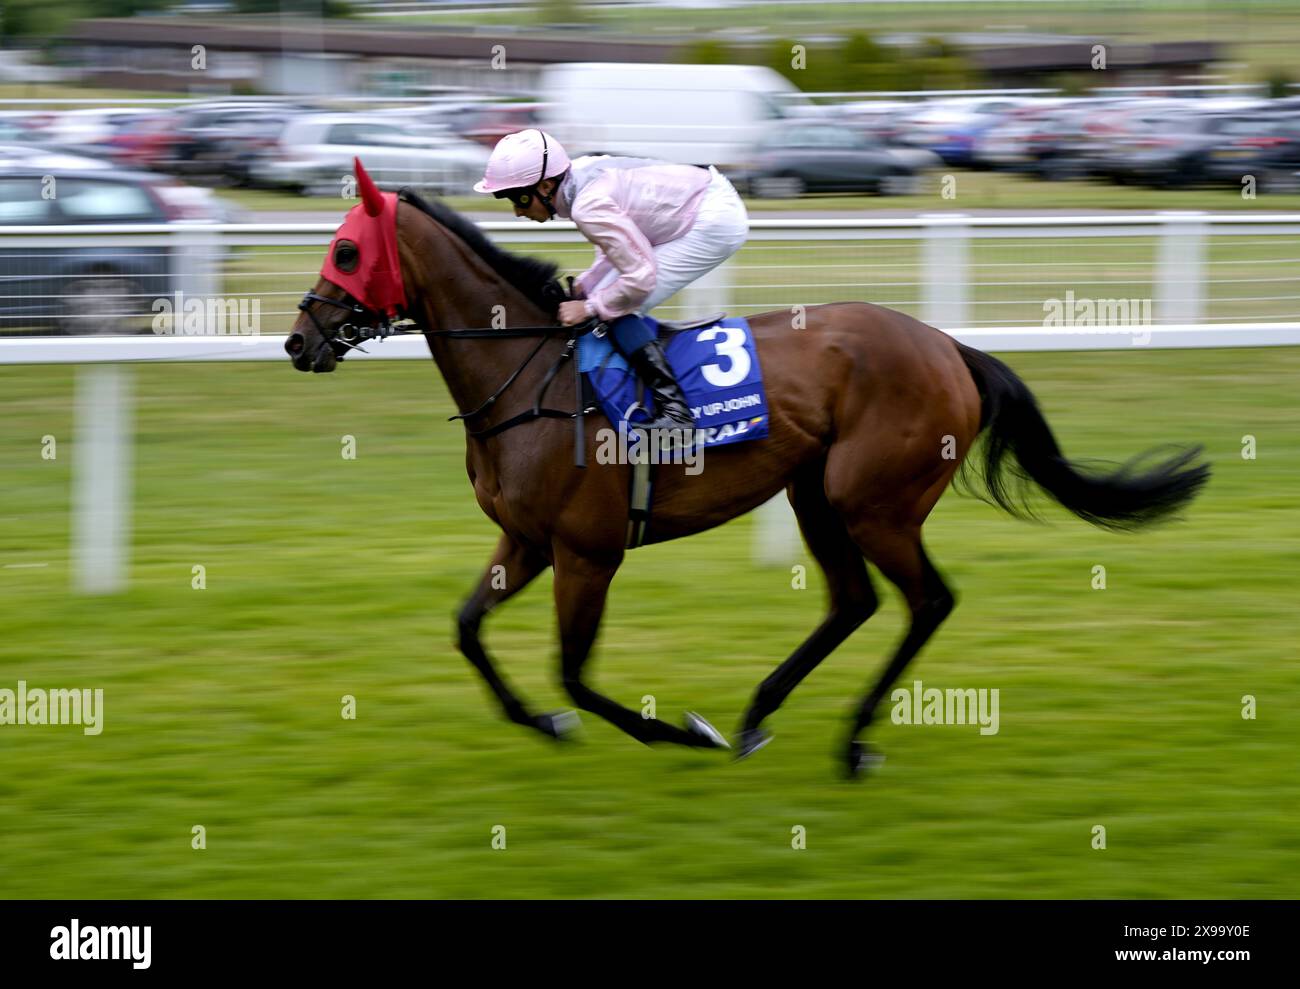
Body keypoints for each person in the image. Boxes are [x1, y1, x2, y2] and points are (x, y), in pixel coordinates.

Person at [473, 128, 749, 433]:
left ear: (547, 185)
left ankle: (676, 411)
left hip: (712, 221)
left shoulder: (587, 205)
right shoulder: (576, 177)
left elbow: (640, 279)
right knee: (606, 295)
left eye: (519, 198)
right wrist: (587, 286)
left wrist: (591, 307)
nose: (517, 211)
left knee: (619, 306)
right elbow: (621, 248)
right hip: (700, 200)